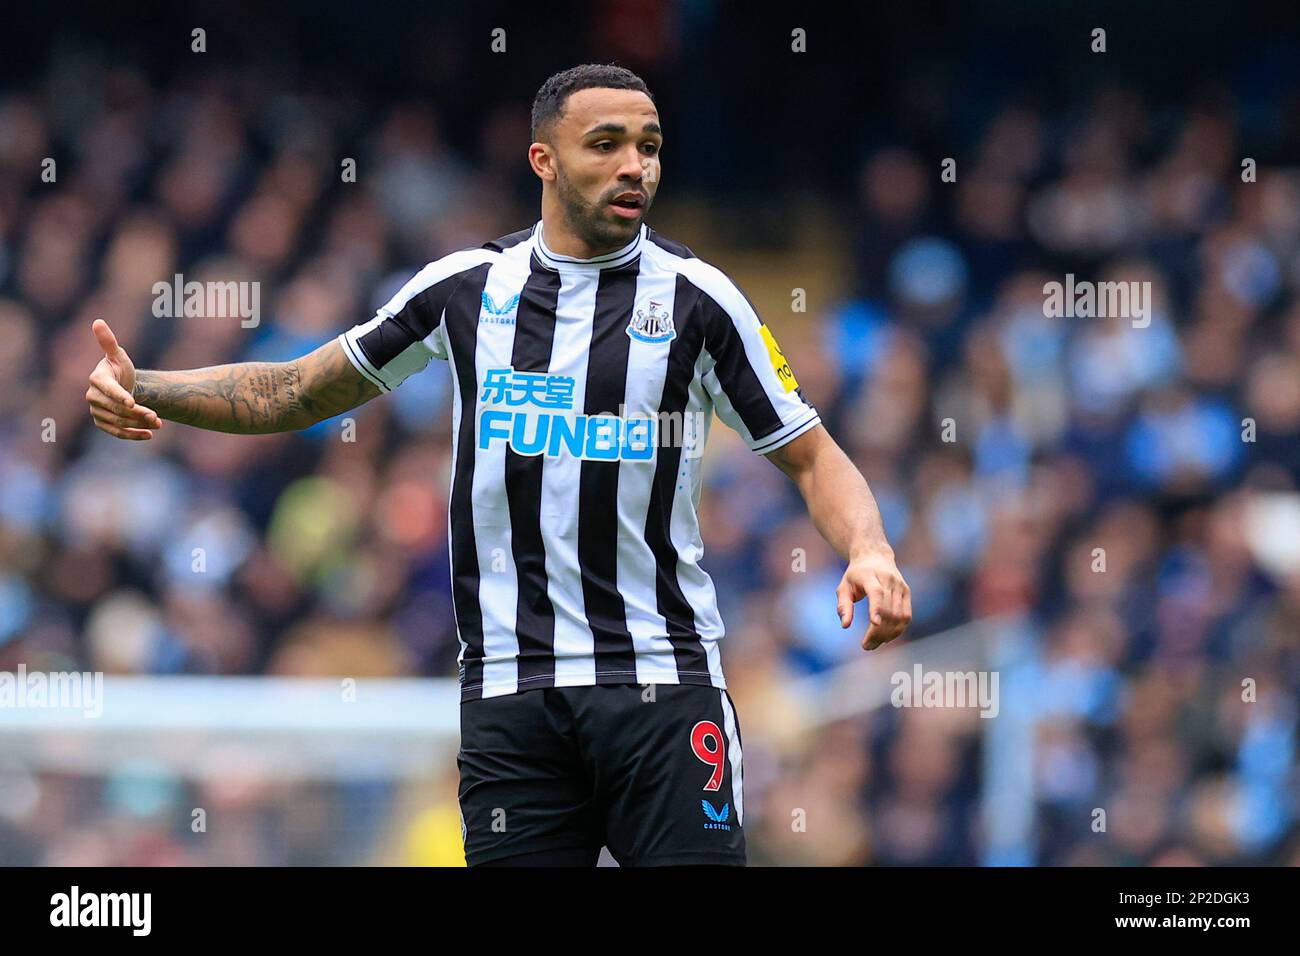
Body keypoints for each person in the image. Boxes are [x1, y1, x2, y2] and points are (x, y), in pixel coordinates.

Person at [84, 63, 911, 866]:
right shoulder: (467, 289)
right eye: (607, 143)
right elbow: (300, 389)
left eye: (651, 146)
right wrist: (149, 387)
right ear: (543, 161)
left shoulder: (701, 300)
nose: (636, 166)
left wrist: (870, 549)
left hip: (662, 685)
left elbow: (811, 456)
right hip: (512, 697)